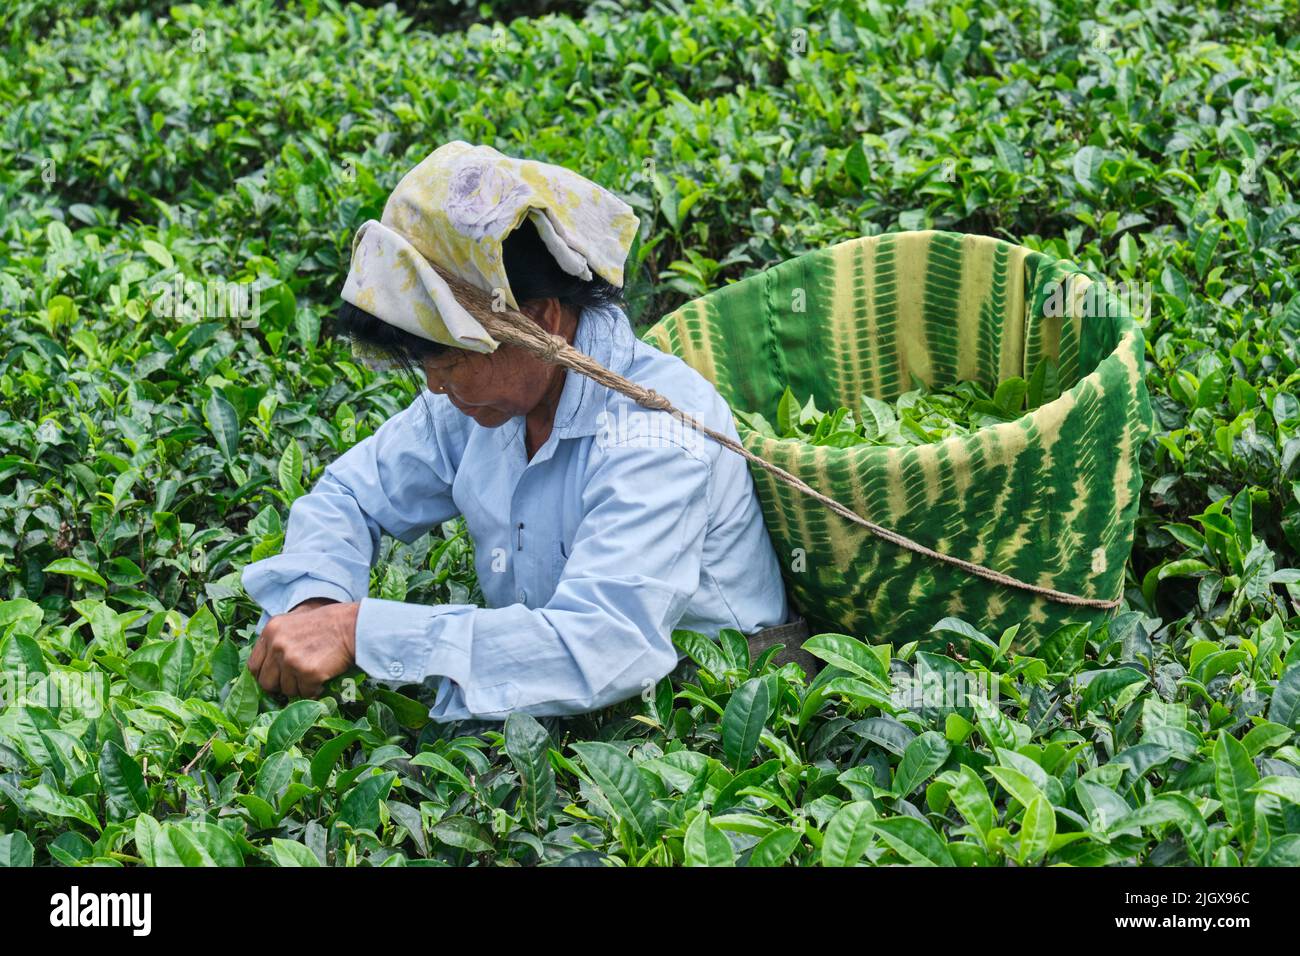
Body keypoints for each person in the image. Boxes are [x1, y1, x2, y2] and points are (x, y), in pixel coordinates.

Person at [240, 141, 791, 721]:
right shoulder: (479, 400)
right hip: (552, 724)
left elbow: (599, 647)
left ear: (540, 322)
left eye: (449, 364)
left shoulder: (656, 436)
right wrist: (316, 602)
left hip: (711, 719)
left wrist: (362, 630)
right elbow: (351, 495)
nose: (434, 388)